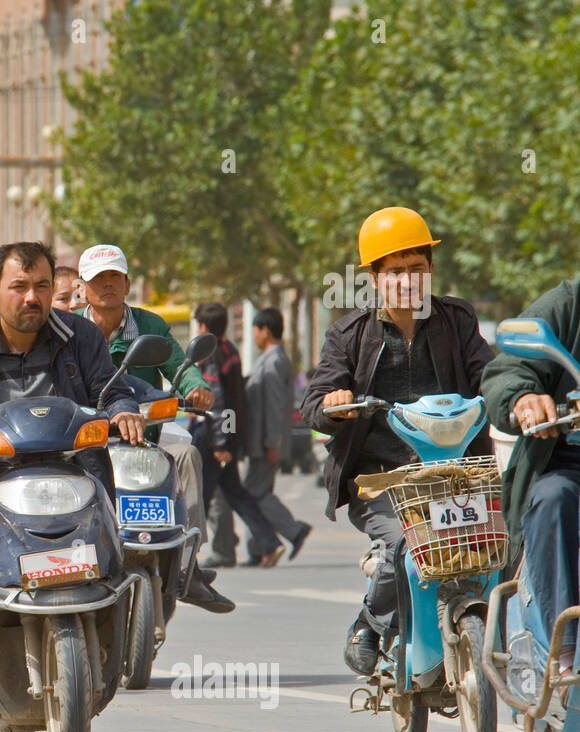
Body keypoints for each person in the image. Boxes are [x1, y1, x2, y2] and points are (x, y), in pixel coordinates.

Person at [0, 242, 149, 668]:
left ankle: (112, 611)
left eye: (42, 286)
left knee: (111, 546)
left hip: (73, 470)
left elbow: (110, 387)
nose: (32, 297)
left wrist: (123, 410)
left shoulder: (81, 337)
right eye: (19, 286)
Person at [302, 207, 493, 676]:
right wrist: (335, 401)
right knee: (407, 545)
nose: (408, 281)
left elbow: (490, 376)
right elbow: (313, 403)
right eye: (396, 271)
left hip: (456, 473)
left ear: (431, 271)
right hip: (382, 481)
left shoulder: (458, 319)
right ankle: (370, 622)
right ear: (373, 277)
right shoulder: (349, 334)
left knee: (501, 544)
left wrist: (517, 392)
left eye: (417, 269)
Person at [75, 243, 233, 613]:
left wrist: (196, 387)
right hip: (87, 444)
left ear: (127, 283)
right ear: (83, 287)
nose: (107, 285)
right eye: (98, 279)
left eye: (114, 276)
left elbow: (180, 365)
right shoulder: (72, 330)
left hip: (143, 443)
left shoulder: (150, 326)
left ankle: (186, 565)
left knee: (188, 455)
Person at [483, 279, 580, 674]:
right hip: (565, 462)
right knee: (553, 499)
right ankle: (566, 653)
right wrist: (524, 398)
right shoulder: (568, 305)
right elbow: (507, 369)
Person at [206, 307, 312, 565]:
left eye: (254, 330)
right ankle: (258, 549)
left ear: (265, 330)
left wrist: (272, 442)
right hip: (259, 441)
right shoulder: (268, 358)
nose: (253, 335)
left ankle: (293, 531)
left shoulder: (274, 361)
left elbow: (275, 407)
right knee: (257, 490)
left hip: (266, 442)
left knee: (253, 493)